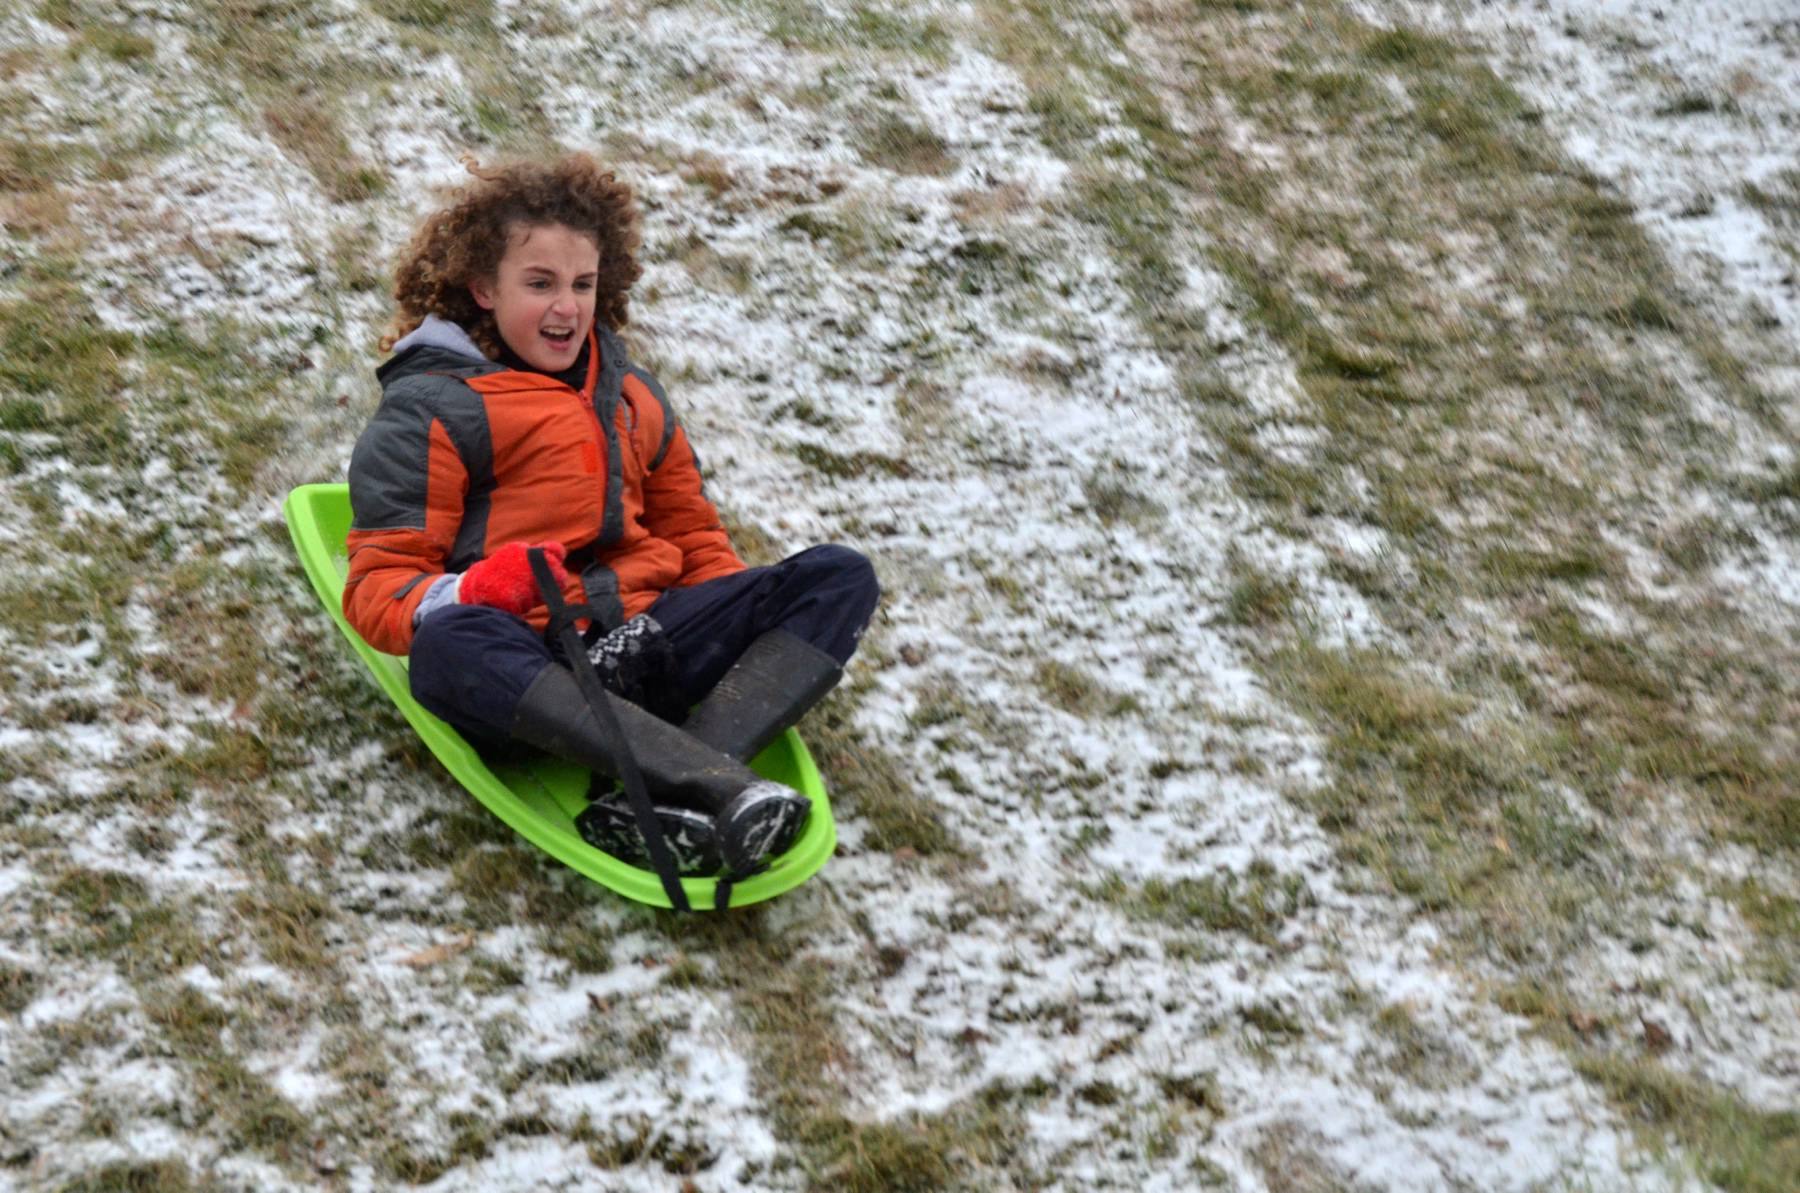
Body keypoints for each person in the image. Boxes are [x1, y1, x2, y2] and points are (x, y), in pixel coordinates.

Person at [342, 153, 879, 877]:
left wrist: (733, 624)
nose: (566, 307)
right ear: (482, 288)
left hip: (644, 645)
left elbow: (694, 538)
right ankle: (715, 782)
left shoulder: (631, 397)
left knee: (837, 576)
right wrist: (473, 591)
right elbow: (377, 589)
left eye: (582, 284)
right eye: (539, 284)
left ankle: (665, 785)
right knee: (449, 642)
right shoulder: (433, 409)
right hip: (529, 672)